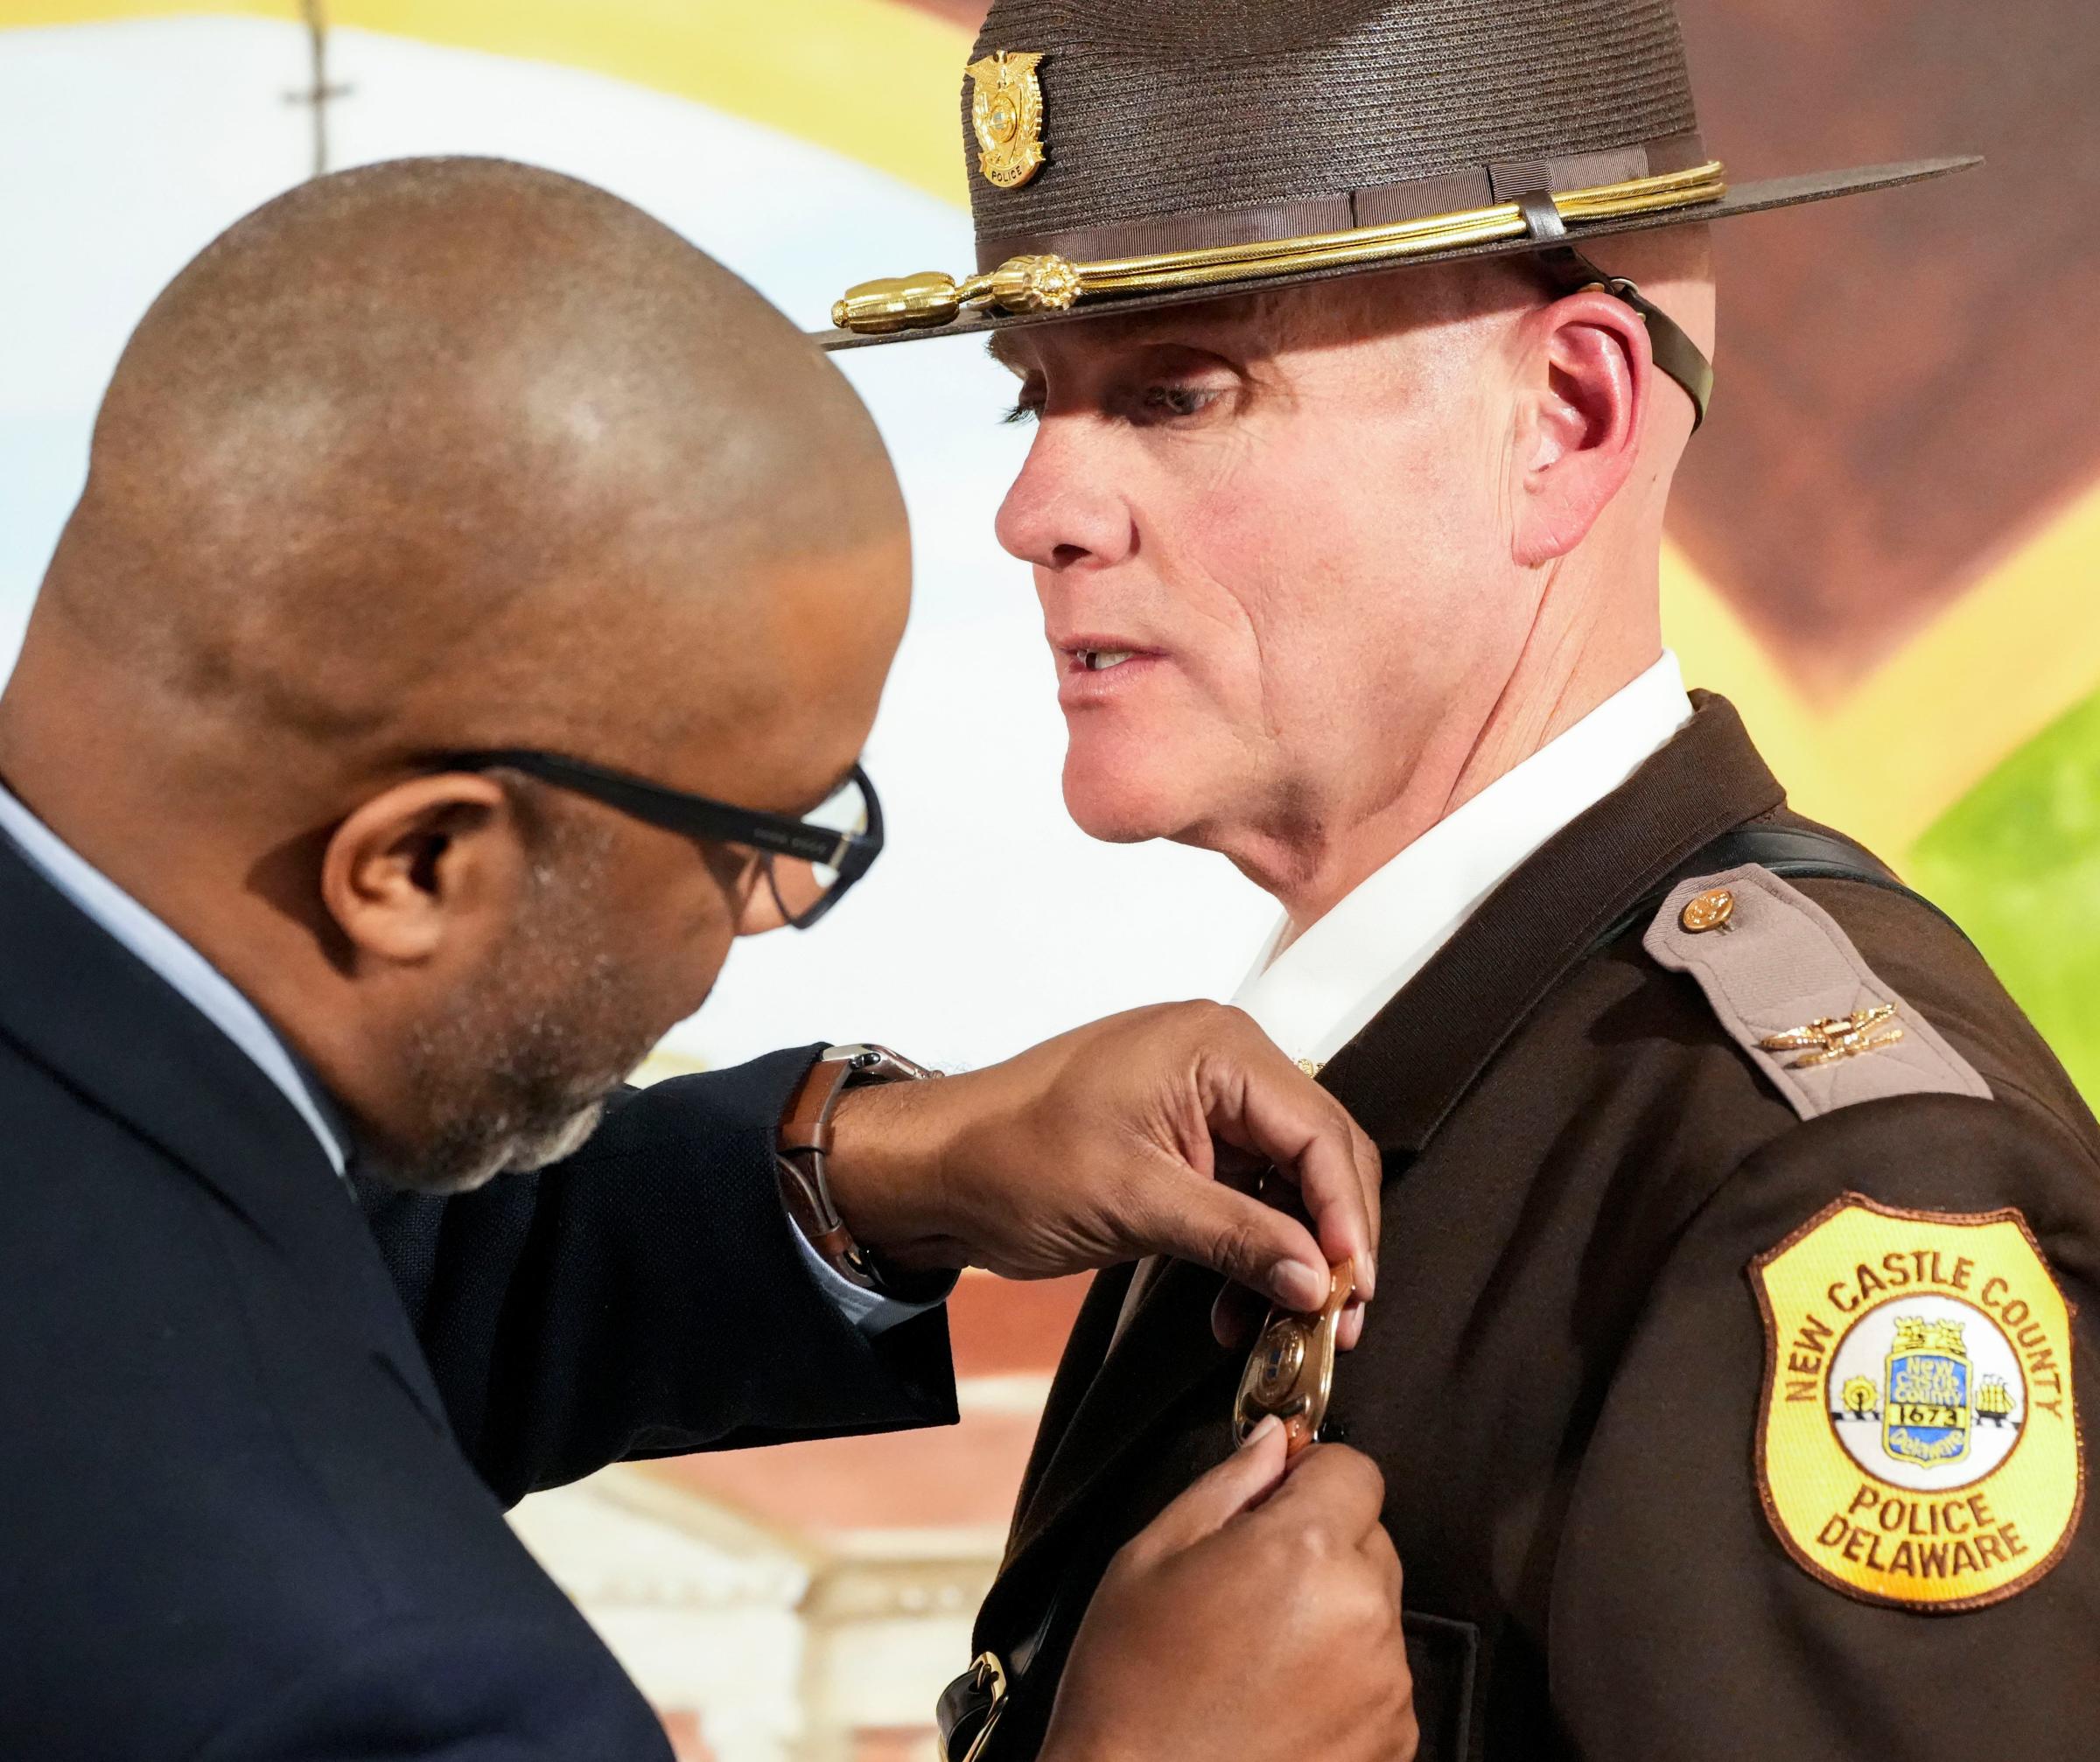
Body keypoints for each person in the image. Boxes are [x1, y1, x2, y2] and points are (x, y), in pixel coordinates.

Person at [0, 157, 1419, 1762]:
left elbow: (267, 1262)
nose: (763, 913)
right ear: (415, 865)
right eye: (757, 839)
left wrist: (869, 1167)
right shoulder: (381, 1688)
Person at [816, 2, 2100, 1757]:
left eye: (1181, 391)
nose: (1037, 505)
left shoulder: (1835, 1170)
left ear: (1565, 420)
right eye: (1038, 400)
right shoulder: (1339, 1074)